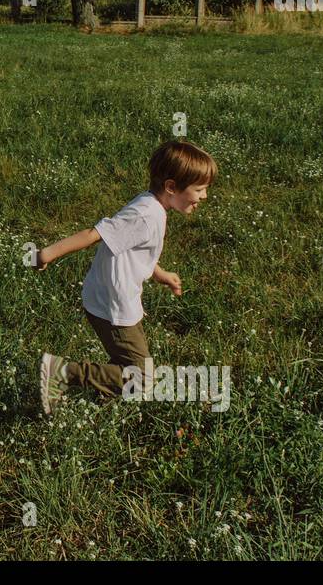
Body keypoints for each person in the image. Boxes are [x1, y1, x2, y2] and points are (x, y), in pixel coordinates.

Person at [36, 140, 216, 413]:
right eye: (199, 189)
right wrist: (45, 254)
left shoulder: (153, 207)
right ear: (171, 187)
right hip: (113, 306)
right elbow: (94, 235)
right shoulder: (145, 215)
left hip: (114, 300)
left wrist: (160, 273)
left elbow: (136, 250)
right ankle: (63, 373)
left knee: (133, 365)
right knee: (143, 380)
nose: (204, 197)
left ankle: (108, 386)